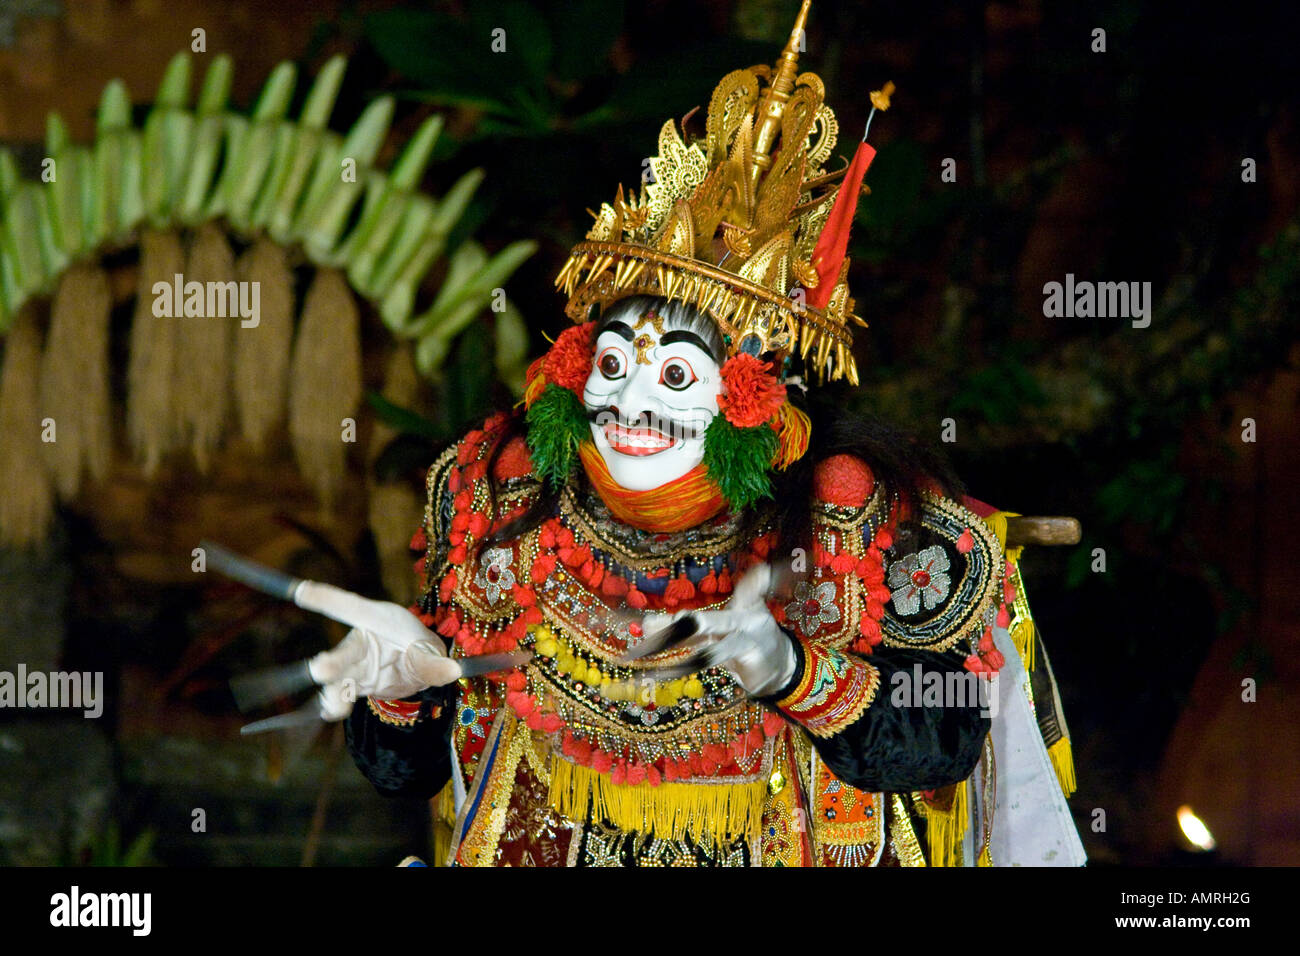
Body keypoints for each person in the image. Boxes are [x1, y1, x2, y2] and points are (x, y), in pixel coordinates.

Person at [322, 1, 1085, 867]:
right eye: (612, 364)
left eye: (676, 375)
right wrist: (396, 692)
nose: (627, 405)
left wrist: (796, 672)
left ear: (763, 392)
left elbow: (946, 739)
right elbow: (406, 772)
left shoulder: (853, 514)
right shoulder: (509, 491)